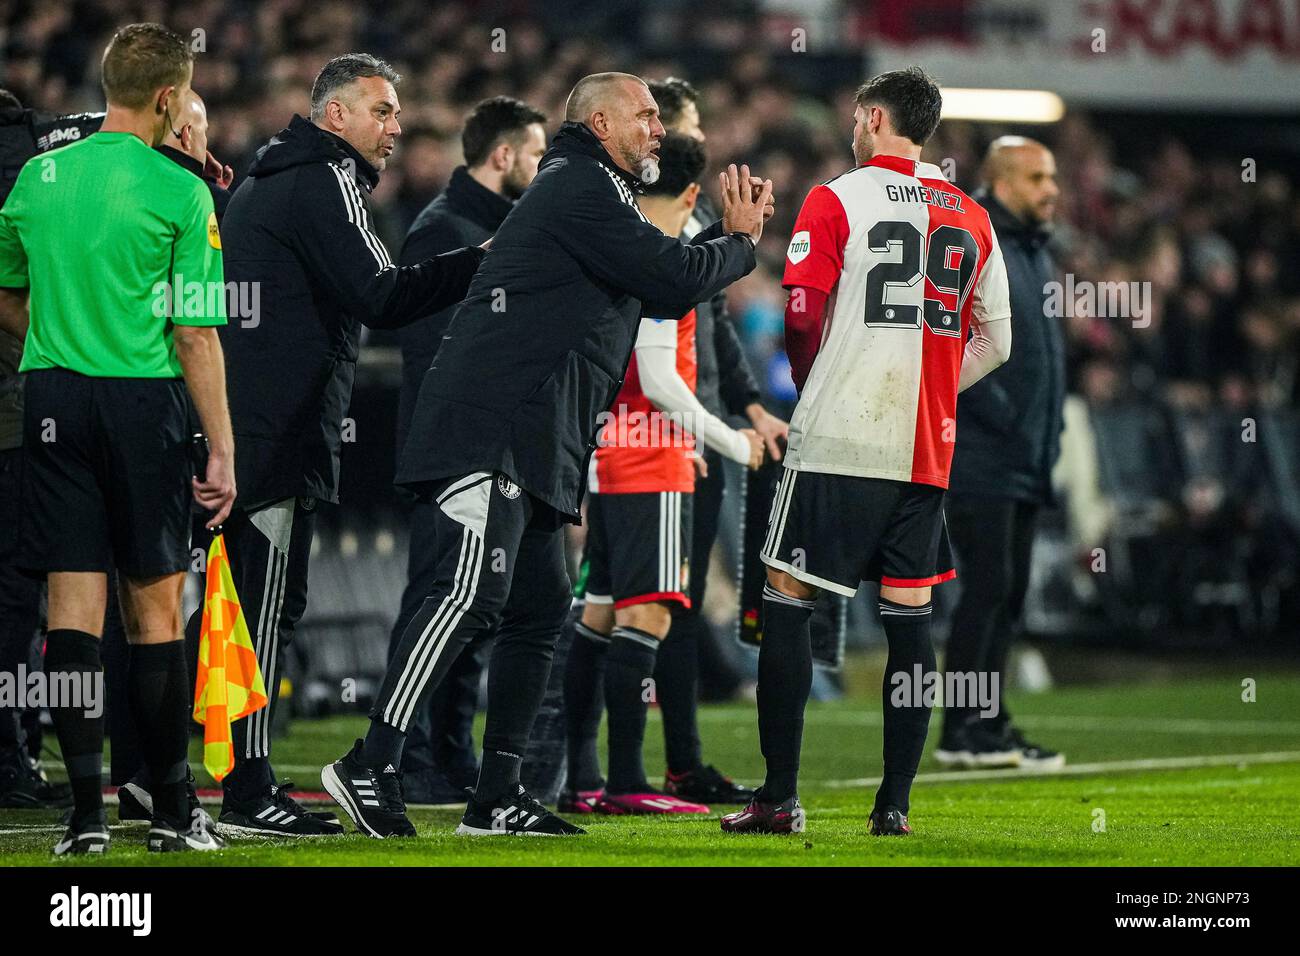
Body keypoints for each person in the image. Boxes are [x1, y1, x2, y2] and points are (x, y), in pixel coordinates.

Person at [322, 71, 772, 838]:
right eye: (647, 115)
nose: (659, 129)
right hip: (491, 432)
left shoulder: (593, 191)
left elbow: (659, 293)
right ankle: (371, 761)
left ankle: (499, 793)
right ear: (600, 122)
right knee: (467, 597)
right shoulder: (579, 185)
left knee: (536, 617)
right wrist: (740, 243)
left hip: (538, 442)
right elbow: (673, 276)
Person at [195, 53, 486, 837]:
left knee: (256, 608)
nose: (396, 128)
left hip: (254, 425)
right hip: (273, 431)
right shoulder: (323, 177)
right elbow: (382, 294)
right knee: (261, 613)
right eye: (382, 111)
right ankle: (248, 792)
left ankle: (222, 778)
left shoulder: (274, 173)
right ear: (336, 117)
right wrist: (482, 264)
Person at [720, 67, 1011, 837]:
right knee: (909, 617)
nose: (852, 128)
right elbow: (998, 339)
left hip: (841, 435)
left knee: (786, 596)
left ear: (873, 118)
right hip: (922, 448)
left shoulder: (837, 196)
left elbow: (805, 308)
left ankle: (779, 798)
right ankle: (894, 808)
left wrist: (818, 383)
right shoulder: (973, 216)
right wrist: (938, 385)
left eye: (856, 117)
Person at [0, 23, 237, 854]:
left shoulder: (37, 174)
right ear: (171, 97)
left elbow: (6, 291)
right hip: (145, 404)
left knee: (70, 615)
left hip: (54, 399)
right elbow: (197, 334)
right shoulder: (182, 191)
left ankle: (85, 819)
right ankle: (173, 811)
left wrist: (57, 335)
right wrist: (222, 448)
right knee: (153, 614)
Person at [560, 132, 765, 816]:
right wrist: (727, 440)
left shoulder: (612, 241)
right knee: (645, 615)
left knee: (596, 616)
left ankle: (583, 776)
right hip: (653, 458)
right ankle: (626, 784)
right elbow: (660, 375)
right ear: (691, 196)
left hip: (610, 450)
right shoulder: (665, 260)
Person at [390, 95, 548, 805]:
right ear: (504, 155)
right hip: (450, 451)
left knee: (475, 608)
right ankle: (407, 758)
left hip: (488, 450)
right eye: (538, 156)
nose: (543, 170)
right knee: (437, 598)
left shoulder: (494, 228)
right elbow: (435, 355)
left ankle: (448, 754)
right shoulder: (442, 232)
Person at [646, 77, 787, 800]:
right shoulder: (651, 220)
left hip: (694, 426)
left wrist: (752, 404)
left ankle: (669, 758)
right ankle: (608, 767)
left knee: (669, 600)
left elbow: (717, 324)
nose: (704, 136)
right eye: (694, 124)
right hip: (656, 435)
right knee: (652, 601)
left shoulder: (687, 218)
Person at [936, 137, 1065, 770]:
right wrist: (1005, 420)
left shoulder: (1033, 250)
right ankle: (963, 727)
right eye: (1039, 177)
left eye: (1053, 177)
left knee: (1006, 596)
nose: (1051, 189)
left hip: (1025, 456)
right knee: (988, 590)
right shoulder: (974, 237)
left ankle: (990, 720)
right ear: (1004, 181)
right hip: (981, 455)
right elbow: (955, 342)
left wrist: (1045, 436)